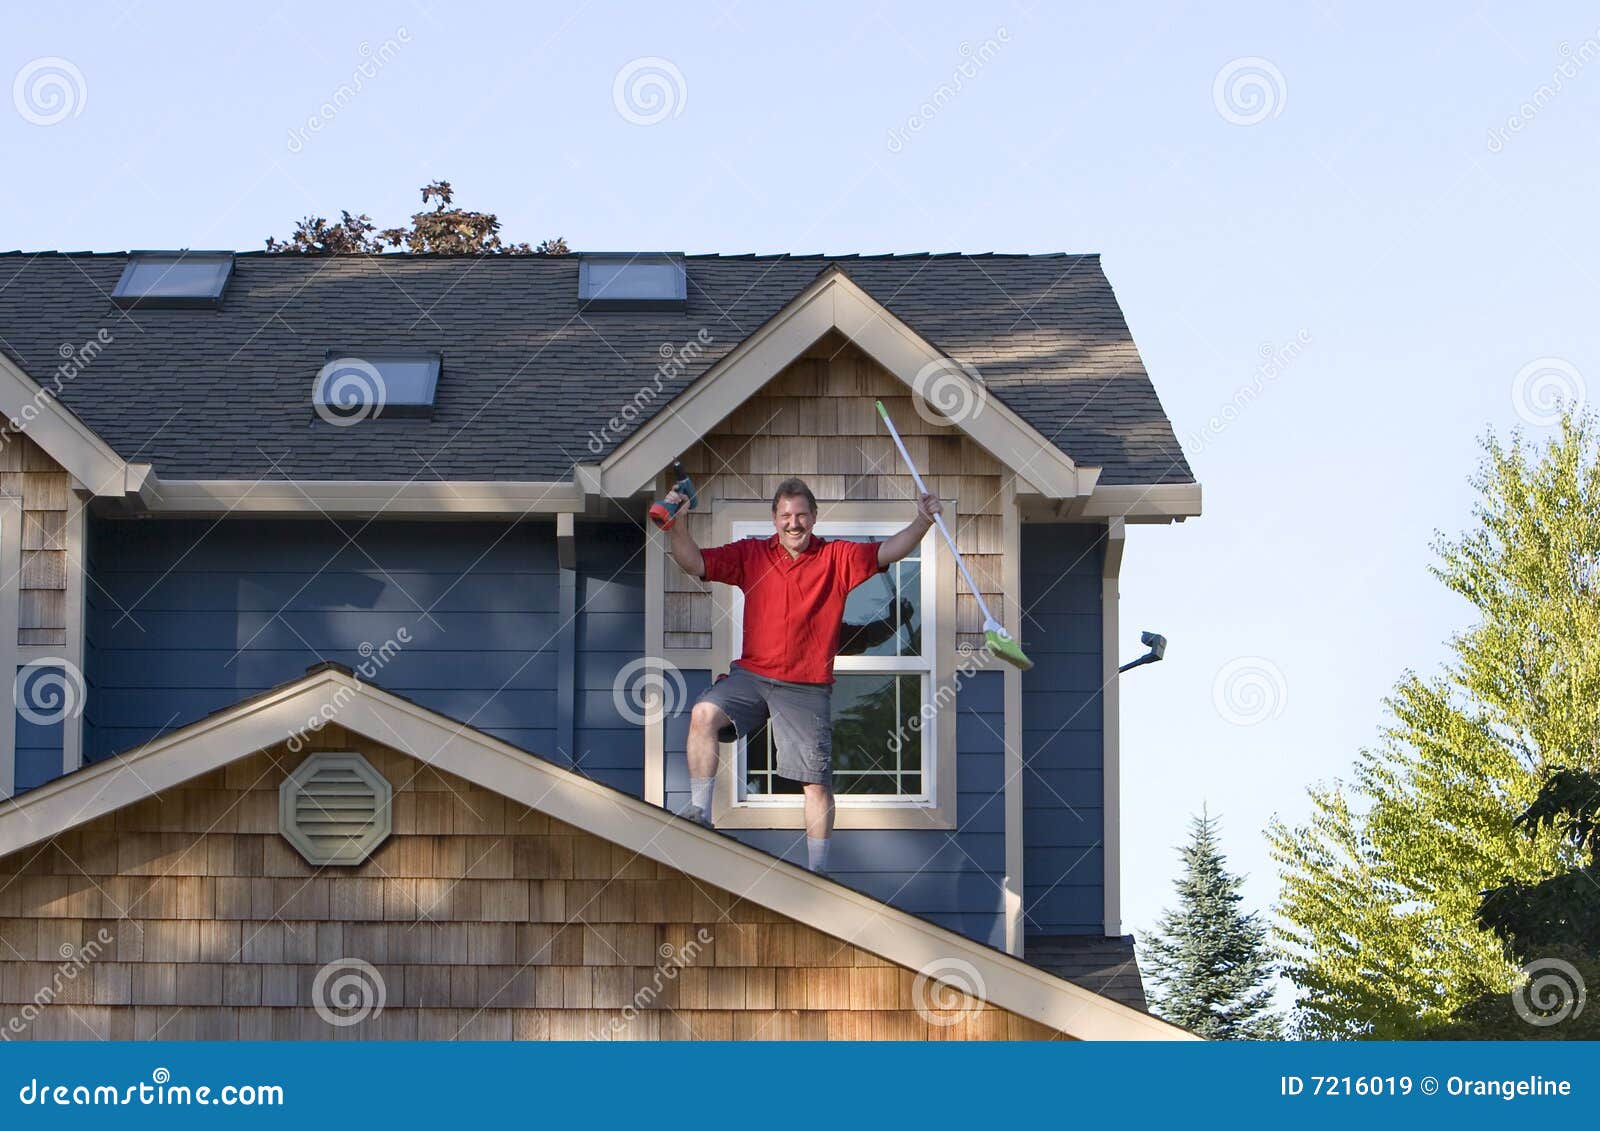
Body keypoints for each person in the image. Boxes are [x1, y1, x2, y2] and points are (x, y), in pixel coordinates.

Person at [658, 476, 940, 875]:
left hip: (806, 688)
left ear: (814, 517)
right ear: (774, 518)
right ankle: (700, 814)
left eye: (802, 515)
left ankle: (818, 873)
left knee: (816, 783)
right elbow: (695, 563)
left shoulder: (836, 558)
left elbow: (886, 551)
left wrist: (922, 522)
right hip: (752, 676)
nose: (794, 523)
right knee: (703, 713)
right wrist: (677, 526)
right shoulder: (752, 555)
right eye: (786, 515)